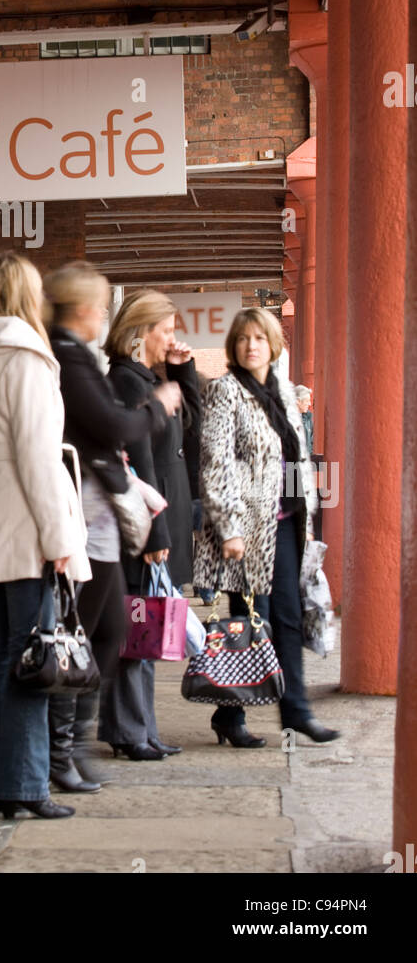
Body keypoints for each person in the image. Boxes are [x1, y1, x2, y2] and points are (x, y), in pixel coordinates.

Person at [0, 251, 90, 821]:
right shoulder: (26, 356)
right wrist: (61, 539)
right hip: (28, 523)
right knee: (31, 659)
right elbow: (38, 458)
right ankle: (25, 785)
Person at [43, 263, 182, 793]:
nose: (104, 316)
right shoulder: (71, 357)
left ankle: (70, 745)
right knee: (90, 631)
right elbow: (113, 425)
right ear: (83, 310)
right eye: (100, 306)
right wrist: (157, 407)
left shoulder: (76, 356)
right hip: (82, 515)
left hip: (95, 516)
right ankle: (62, 750)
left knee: (106, 630)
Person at [195, 307, 340, 746]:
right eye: (243, 339)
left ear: (273, 344)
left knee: (286, 617)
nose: (251, 345)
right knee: (249, 619)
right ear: (234, 347)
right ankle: (235, 714)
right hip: (247, 527)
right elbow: (214, 461)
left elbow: (296, 459)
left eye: (259, 338)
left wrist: (308, 521)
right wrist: (229, 527)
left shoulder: (280, 391)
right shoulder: (225, 391)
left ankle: (289, 711)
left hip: (286, 523)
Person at [100, 289, 197, 760]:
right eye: (166, 330)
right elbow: (137, 461)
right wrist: (154, 533)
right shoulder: (127, 382)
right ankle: (127, 730)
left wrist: (182, 371)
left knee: (149, 625)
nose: (171, 338)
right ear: (142, 332)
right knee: (135, 624)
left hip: (158, 522)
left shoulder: (145, 379)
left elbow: (189, 424)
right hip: (144, 526)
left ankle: (143, 727)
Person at [295, 384, 314, 457]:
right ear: (298, 401)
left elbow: (312, 443)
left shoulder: (308, 418)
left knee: (331, 466)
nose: (309, 404)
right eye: (307, 401)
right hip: (291, 464)